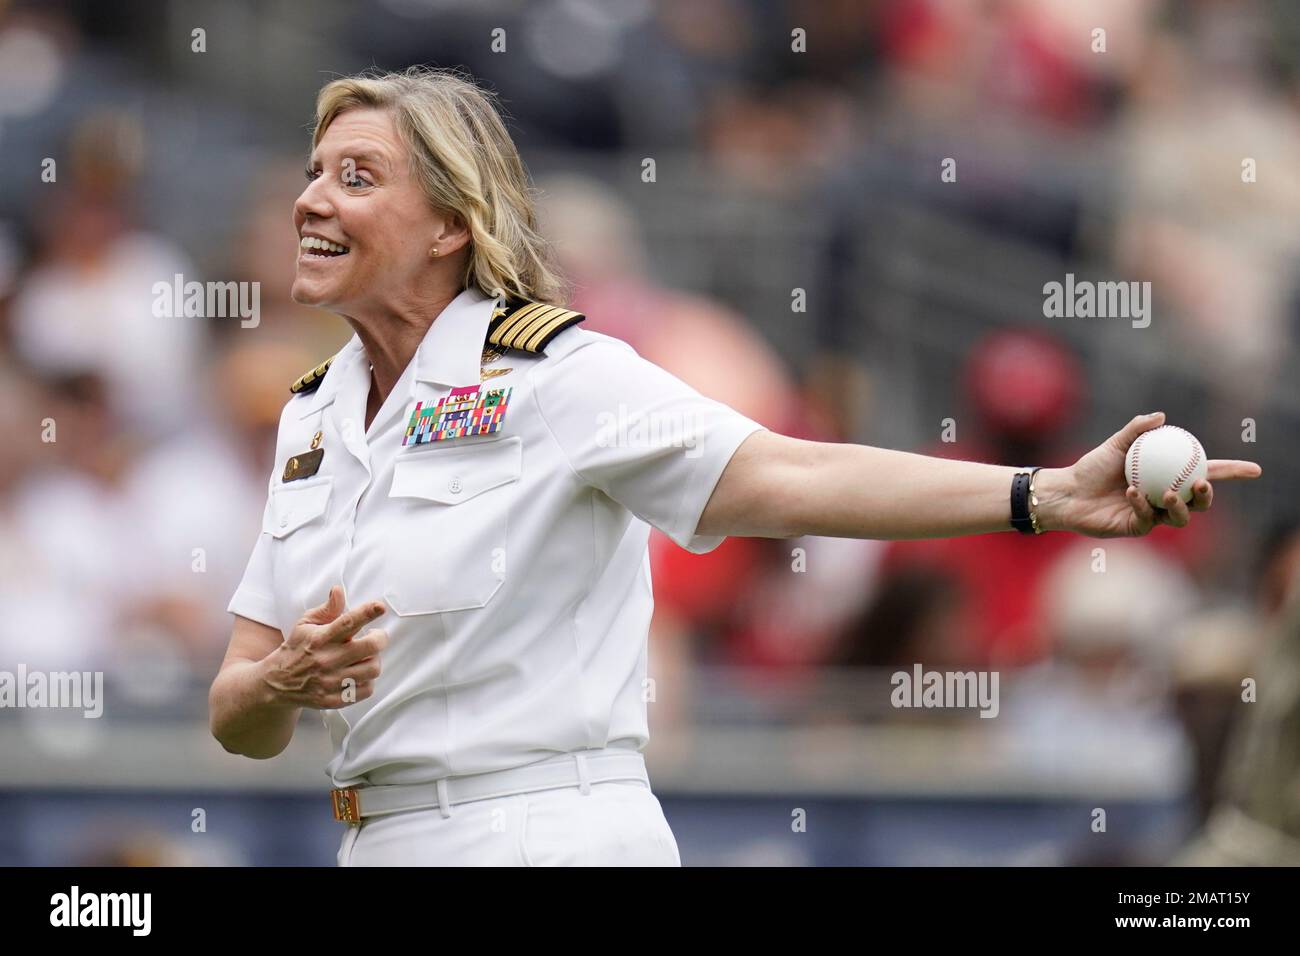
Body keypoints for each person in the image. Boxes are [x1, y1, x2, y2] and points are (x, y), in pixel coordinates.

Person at [207, 67, 1261, 867]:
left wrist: (1044, 494)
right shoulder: (314, 417)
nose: (311, 200)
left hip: (541, 831)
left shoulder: (552, 373)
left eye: (357, 177)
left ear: (449, 221)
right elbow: (235, 715)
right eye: (312, 173)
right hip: (374, 838)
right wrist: (285, 680)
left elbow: (789, 476)